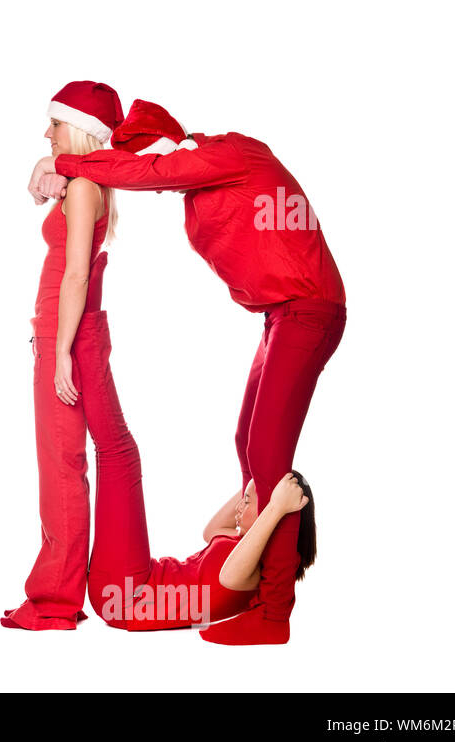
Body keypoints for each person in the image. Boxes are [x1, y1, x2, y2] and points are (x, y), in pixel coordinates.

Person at [29, 98, 345, 644]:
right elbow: (152, 175)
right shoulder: (209, 177)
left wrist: (67, 164)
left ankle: (274, 614)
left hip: (306, 310)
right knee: (248, 444)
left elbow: (149, 172)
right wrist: (257, 505)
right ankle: (271, 574)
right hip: (283, 314)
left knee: (264, 457)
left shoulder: (223, 155)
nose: (161, 184)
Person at [72, 298, 314, 631]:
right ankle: (83, 329)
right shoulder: (236, 541)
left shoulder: (254, 572)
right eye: (245, 499)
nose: (241, 504)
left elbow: (228, 574)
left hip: (127, 595)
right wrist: (258, 484)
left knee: (120, 453)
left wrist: (275, 509)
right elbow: (211, 531)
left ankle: (86, 326)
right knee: (117, 454)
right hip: (137, 579)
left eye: (247, 501)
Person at [1, 81, 122, 631]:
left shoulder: (82, 189)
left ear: (76, 130)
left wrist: (61, 355)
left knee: (62, 467)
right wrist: (44, 171)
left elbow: (75, 274)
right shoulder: (87, 183)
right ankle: (58, 591)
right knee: (63, 464)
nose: (45, 133)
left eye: (54, 125)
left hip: (63, 335)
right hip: (61, 332)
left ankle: (55, 601)